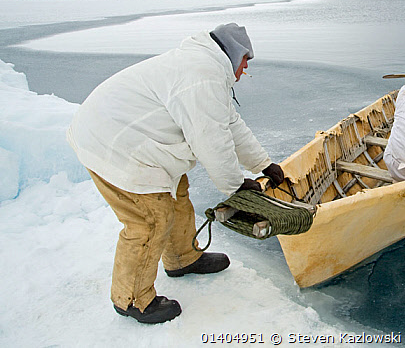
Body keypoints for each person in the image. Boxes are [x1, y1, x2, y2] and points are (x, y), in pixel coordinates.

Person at [66, 23, 285, 324]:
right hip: (115, 145)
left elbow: (229, 124)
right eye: (246, 59)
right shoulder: (201, 78)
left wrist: (262, 163)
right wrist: (236, 186)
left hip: (133, 137)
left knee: (177, 194)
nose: (246, 67)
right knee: (150, 219)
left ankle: (183, 258)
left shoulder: (206, 70)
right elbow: (211, 141)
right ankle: (131, 300)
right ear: (234, 54)